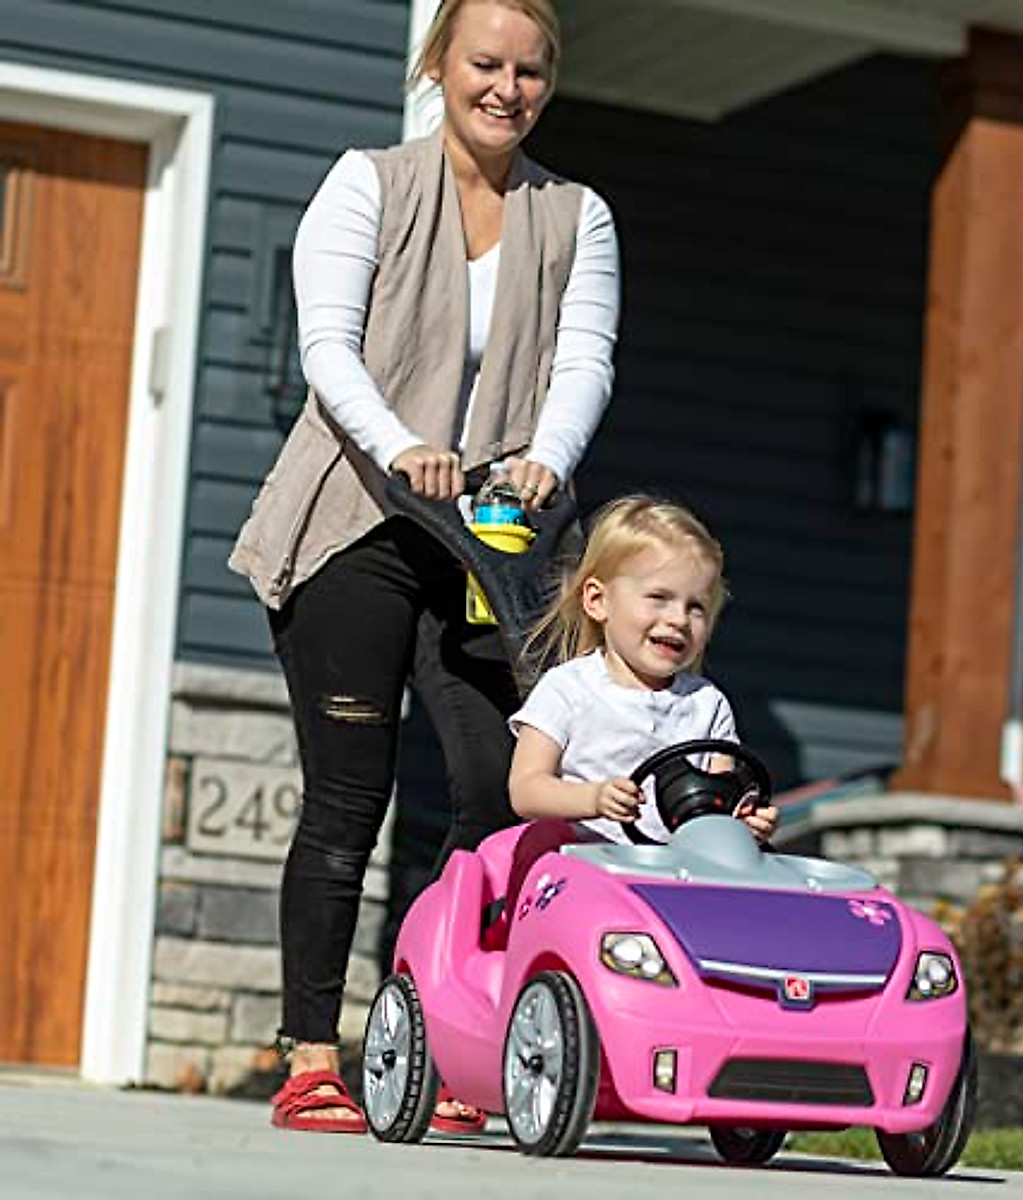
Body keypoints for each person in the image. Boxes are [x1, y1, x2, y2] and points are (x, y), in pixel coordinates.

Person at [229, 0, 620, 1135]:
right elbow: (326, 347)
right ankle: (312, 1058)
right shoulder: (368, 183)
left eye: (530, 71)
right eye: (485, 63)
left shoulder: (576, 216)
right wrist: (402, 444)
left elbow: (583, 358)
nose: (507, 88)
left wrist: (546, 461)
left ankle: (447, 1047)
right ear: (439, 65)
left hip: (495, 544)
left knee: (496, 793)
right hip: (357, 520)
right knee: (348, 800)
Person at [504, 496, 780, 915]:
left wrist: (743, 825)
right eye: (659, 598)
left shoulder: (707, 704)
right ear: (598, 601)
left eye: (696, 608)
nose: (678, 620)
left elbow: (718, 802)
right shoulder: (568, 689)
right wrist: (593, 799)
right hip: (578, 872)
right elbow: (526, 789)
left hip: (678, 879)